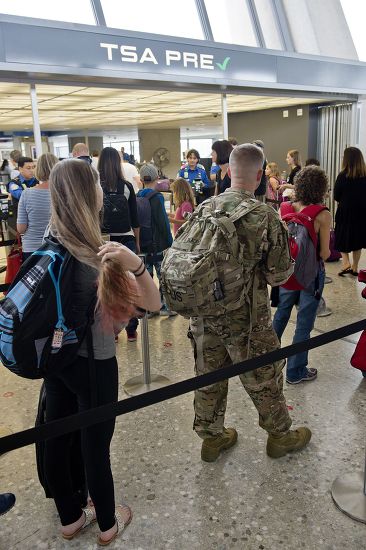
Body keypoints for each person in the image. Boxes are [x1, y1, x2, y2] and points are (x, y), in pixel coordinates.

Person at [44, 159, 161, 545]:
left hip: (55, 356)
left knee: (57, 436)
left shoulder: (49, 243)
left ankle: (70, 518)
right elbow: (153, 305)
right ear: (88, 194)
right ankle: (109, 523)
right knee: (96, 446)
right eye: (95, 183)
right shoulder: (100, 257)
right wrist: (138, 267)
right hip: (95, 362)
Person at [190, 143, 311, 462]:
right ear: (259, 176)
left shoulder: (204, 209)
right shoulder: (265, 216)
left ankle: (212, 438)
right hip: (247, 319)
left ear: (228, 172)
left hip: (204, 313)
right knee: (264, 377)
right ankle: (280, 436)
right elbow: (279, 275)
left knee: (208, 375)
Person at [273, 166, 331, 384]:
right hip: (311, 275)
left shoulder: (285, 207)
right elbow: (324, 253)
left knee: (281, 315)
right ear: (321, 188)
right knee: (304, 323)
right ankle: (296, 372)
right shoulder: (322, 214)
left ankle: (267, 362)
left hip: (288, 272)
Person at [98, 147, 140, 341]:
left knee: (106, 287)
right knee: (129, 286)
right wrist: (136, 243)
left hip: (104, 241)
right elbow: (135, 219)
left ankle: (110, 331)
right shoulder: (127, 186)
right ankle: (131, 329)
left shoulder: (96, 186)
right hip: (126, 239)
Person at [137, 164, 175, 316]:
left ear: (141, 179)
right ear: (157, 178)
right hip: (158, 245)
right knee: (162, 276)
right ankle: (165, 307)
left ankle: (149, 308)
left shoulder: (136, 196)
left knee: (146, 278)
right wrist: (170, 242)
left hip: (143, 245)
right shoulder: (157, 197)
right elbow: (163, 223)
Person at [17, 153, 58, 261]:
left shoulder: (26, 194)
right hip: (57, 247)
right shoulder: (63, 194)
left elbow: (21, 228)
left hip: (32, 248)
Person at [334, 147, 366, 276]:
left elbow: (336, 195)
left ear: (347, 159)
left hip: (345, 211)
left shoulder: (342, 175)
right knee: (357, 239)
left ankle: (346, 263)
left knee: (342, 236)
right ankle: (354, 267)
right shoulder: (365, 175)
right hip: (362, 212)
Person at [7, 156, 38, 230]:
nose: (32, 170)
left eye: (33, 167)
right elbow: (21, 195)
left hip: (37, 218)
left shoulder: (38, 180)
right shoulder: (14, 183)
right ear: (20, 169)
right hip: (22, 221)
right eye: (28, 168)